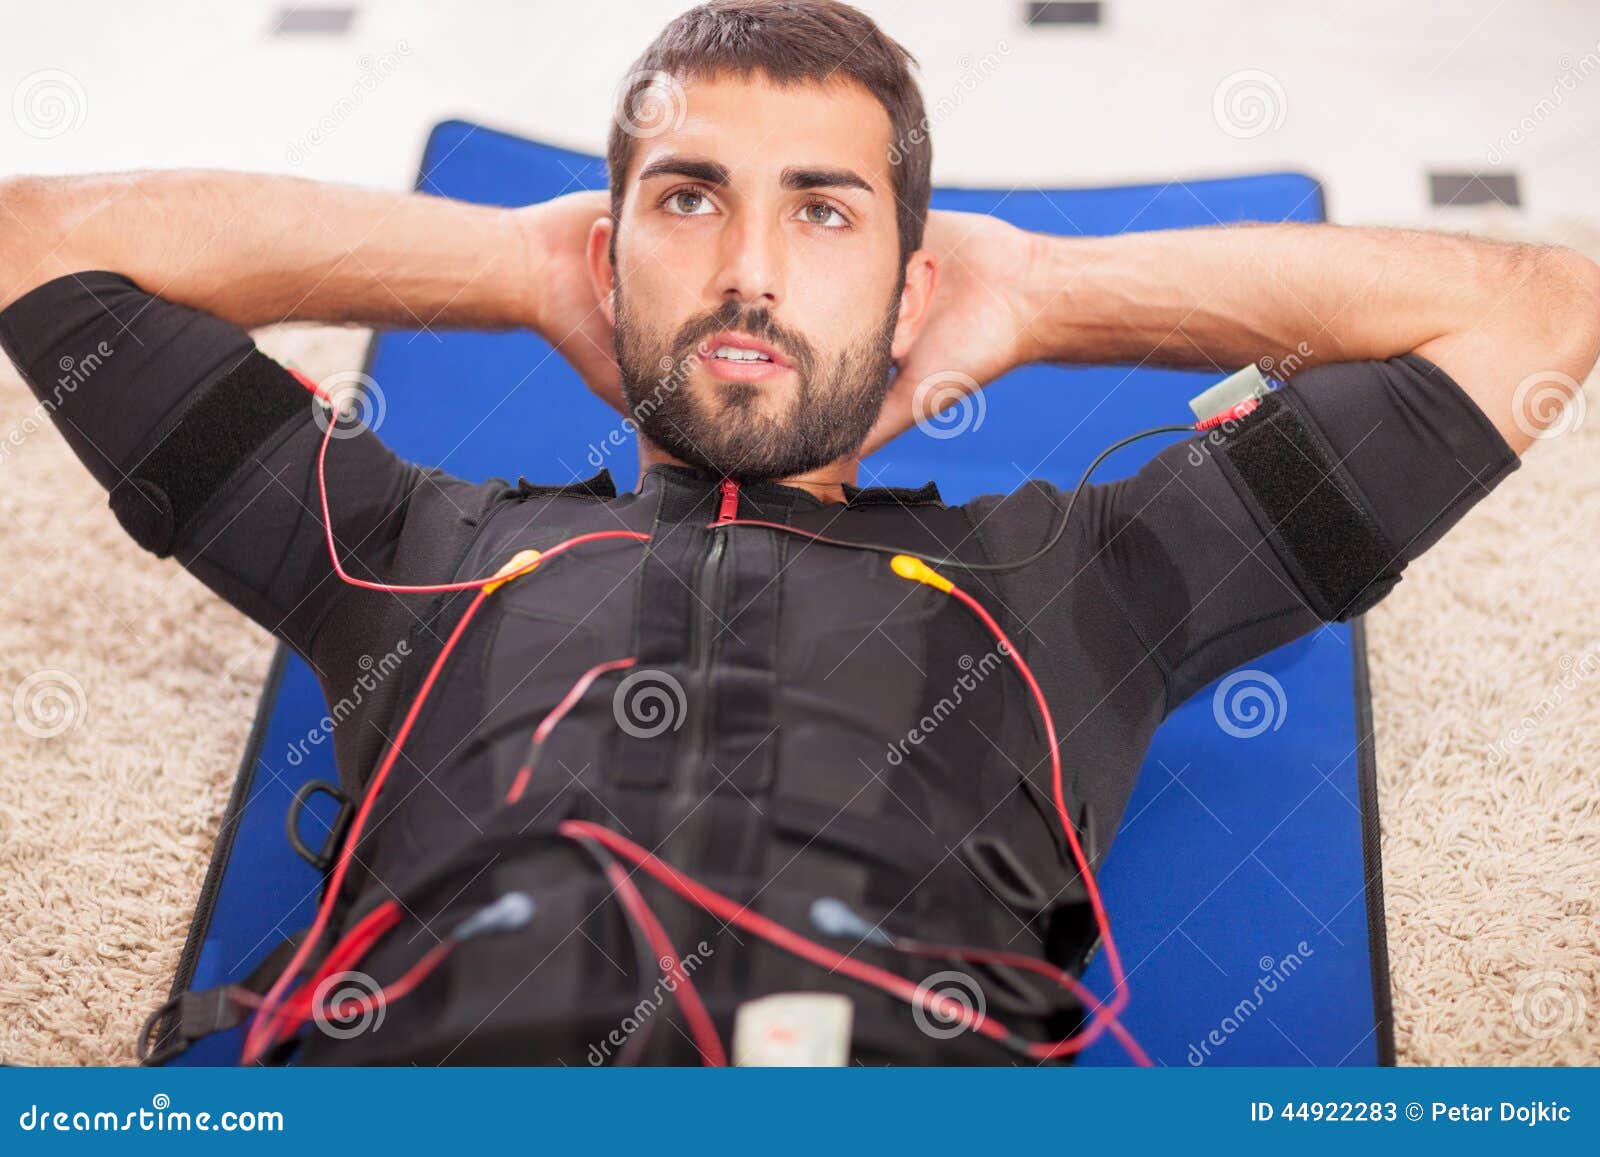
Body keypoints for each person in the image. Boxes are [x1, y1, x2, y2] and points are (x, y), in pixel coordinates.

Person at [0, 0, 1595, 1066]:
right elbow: (41, 240)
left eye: (824, 211)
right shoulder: (402, 545)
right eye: (687, 199)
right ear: (610, 255)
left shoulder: (1083, 584)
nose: (751, 270)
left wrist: (1048, 288)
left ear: (913, 291)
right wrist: (513, 262)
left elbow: (1533, 313)